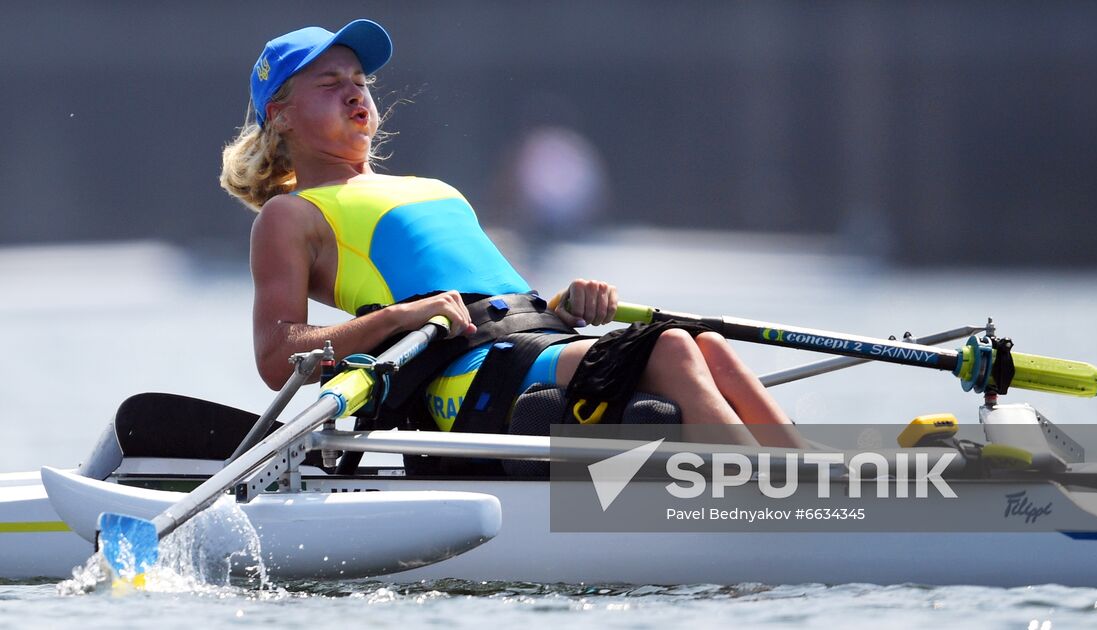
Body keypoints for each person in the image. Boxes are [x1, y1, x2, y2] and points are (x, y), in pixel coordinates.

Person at [219, 19, 804, 449]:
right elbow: (277, 357)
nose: (355, 92)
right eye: (329, 83)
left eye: (360, 79)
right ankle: (780, 502)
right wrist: (396, 319)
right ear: (282, 114)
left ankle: (812, 478)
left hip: (522, 343)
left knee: (707, 346)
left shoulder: (434, 187)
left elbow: (504, 304)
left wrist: (566, 305)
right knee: (672, 348)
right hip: (454, 374)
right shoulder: (290, 215)